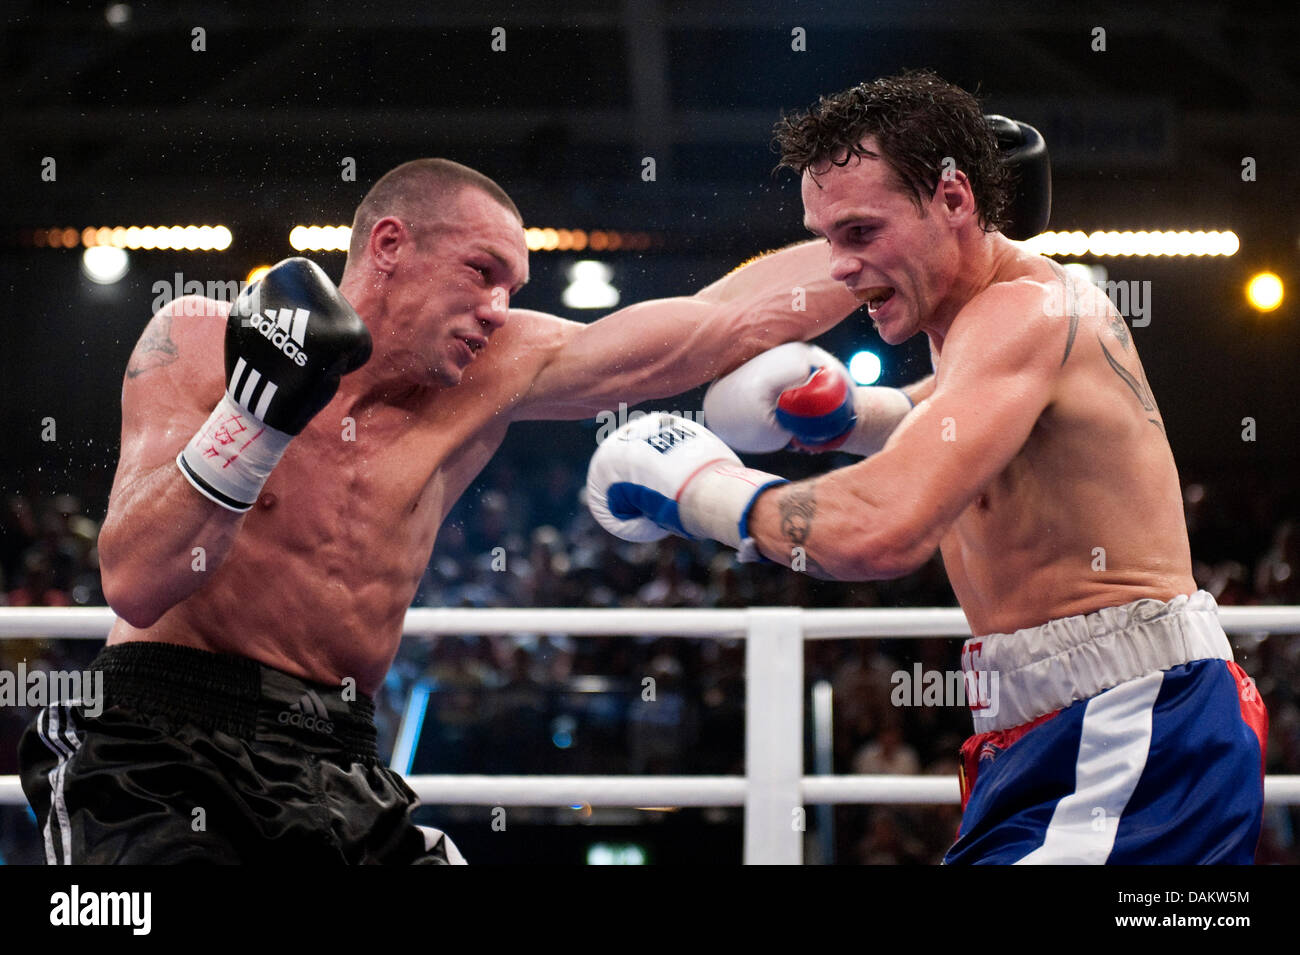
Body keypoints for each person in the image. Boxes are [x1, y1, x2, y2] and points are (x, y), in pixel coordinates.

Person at [19, 158, 860, 864]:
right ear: (390, 246)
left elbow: (719, 323)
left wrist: (895, 236)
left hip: (334, 756)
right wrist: (256, 416)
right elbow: (133, 578)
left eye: (513, 286)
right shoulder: (203, 337)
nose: (499, 306)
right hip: (157, 744)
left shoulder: (500, 367)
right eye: (481, 271)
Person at [586, 71, 1268, 864]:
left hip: (1134, 727)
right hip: (1061, 726)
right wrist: (845, 414)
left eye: (861, 232)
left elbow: (884, 529)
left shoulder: (1028, 309)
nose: (838, 267)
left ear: (953, 197)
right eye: (826, 237)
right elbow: (944, 417)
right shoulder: (978, 326)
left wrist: (704, 491)